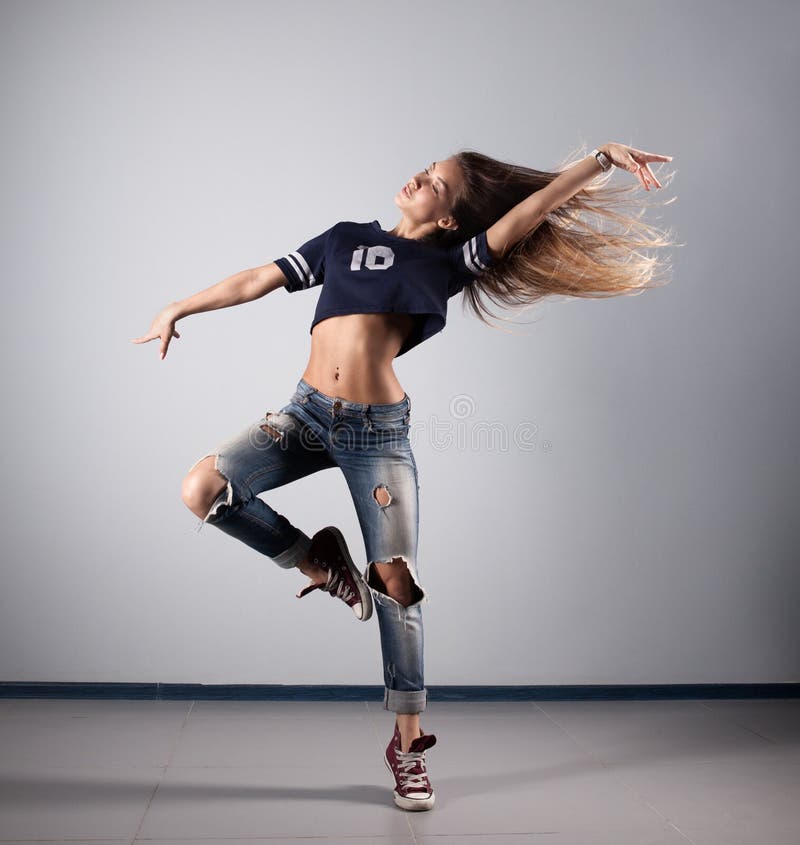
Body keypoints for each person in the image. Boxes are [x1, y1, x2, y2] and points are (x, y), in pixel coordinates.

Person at [132, 142, 675, 811]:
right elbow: (257, 278)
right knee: (203, 489)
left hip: (376, 430)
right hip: (304, 413)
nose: (419, 176)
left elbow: (532, 207)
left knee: (397, 582)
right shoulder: (342, 238)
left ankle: (407, 746)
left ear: (450, 218)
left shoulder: (448, 260)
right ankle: (316, 560)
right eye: (426, 168)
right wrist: (177, 308)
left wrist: (599, 159)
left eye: (437, 182)